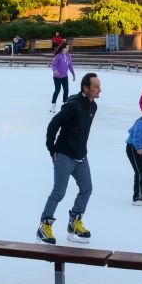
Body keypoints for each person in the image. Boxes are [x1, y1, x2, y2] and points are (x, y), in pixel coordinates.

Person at [36, 73, 100, 245]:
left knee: (86, 188)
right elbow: (53, 125)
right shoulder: (72, 106)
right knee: (59, 192)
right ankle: (44, 226)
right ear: (85, 88)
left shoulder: (93, 106)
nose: (99, 89)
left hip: (80, 155)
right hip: (64, 154)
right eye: (95, 86)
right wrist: (52, 148)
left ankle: (74, 224)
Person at [49, 41, 75, 112]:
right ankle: (53, 105)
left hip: (64, 76)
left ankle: (65, 104)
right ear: (63, 48)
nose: (68, 49)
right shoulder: (58, 56)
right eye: (67, 48)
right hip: (57, 76)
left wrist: (73, 74)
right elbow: (53, 65)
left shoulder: (69, 56)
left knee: (66, 90)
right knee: (57, 90)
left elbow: (70, 66)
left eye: (68, 48)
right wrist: (55, 70)